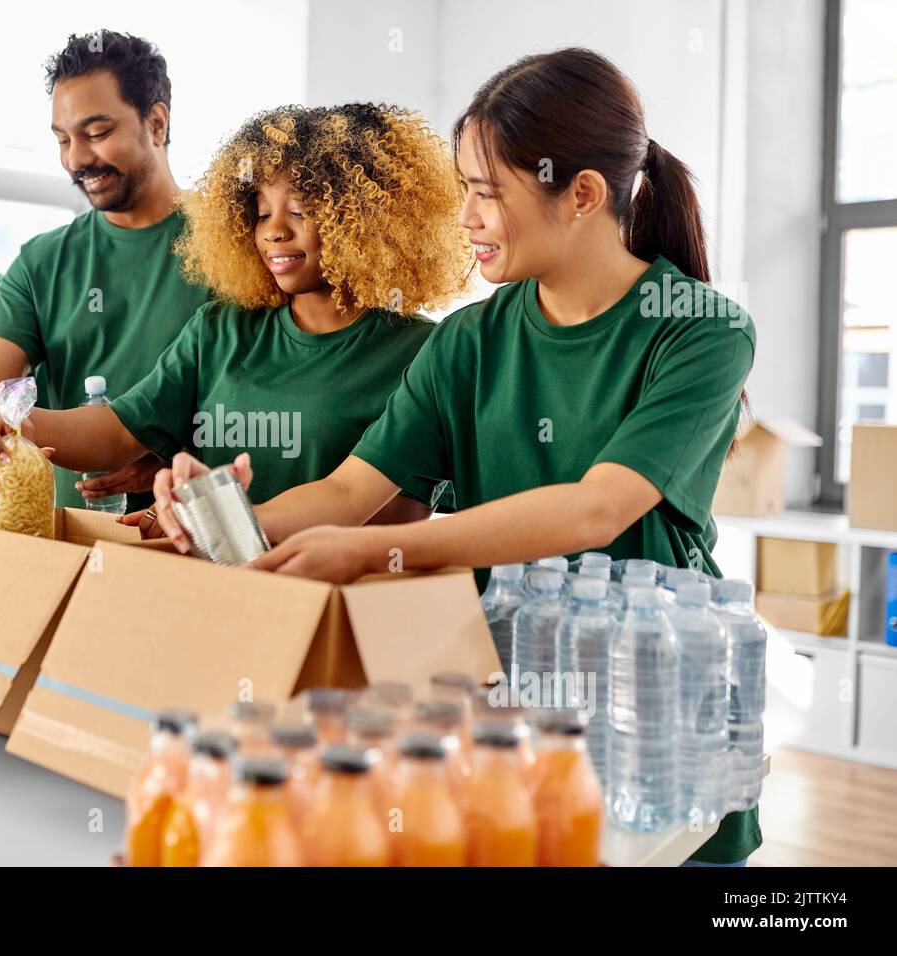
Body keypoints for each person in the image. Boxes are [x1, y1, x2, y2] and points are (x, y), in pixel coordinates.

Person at [150, 49, 760, 866]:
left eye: (486, 192)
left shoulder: (699, 331)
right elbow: (350, 488)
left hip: (647, 708)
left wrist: (377, 549)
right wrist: (221, 515)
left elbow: (596, 507)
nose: (465, 216)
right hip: (503, 695)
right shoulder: (473, 339)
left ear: (581, 193)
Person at [0, 104, 468, 524]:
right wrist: (12, 423)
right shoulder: (221, 329)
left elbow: (392, 510)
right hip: (221, 589)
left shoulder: (422, 351)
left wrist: (223, 521)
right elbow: (113, 434)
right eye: (261, 212)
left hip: (344, 608)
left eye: (303, 210)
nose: (274, 232)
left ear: (366, 218)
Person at [0, 30, 213, 518]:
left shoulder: (232, 247)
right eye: (63, 140)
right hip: (70, 532)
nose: (76, 159)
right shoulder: (44, 262)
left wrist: (184, 461)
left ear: (156, 122)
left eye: (96, 133)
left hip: (194, 529)